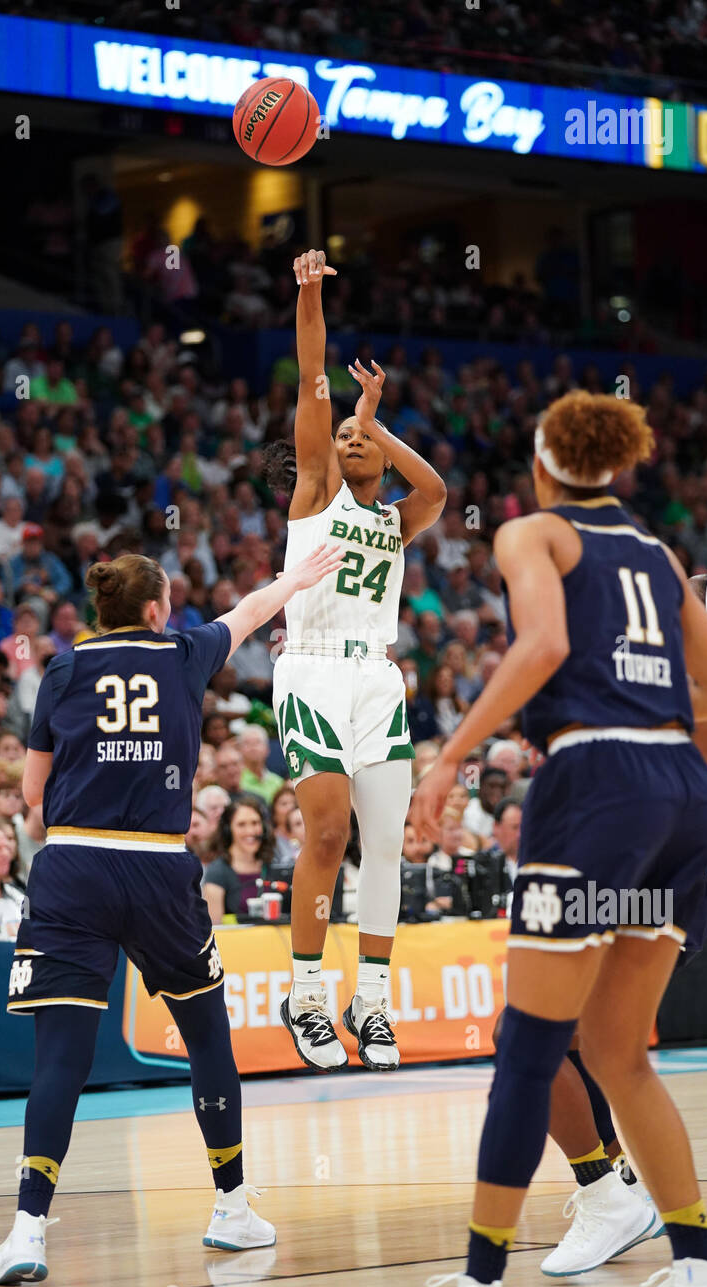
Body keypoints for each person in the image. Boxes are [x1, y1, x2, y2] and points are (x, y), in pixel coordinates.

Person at [414, 392, 707, 1287]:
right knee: (615, 1050)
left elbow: (545, 642)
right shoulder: (660, 553)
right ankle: (700, 1269)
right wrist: (633, 701)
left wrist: (450, 756)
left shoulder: (531, 534)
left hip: (598, 788)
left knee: (526, 1045)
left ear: (542, 465)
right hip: (680, 793)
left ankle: (482, 1280)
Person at [0, 541, 343, 1285]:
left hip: (74, 865)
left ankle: (26, 1232)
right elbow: (249, 612)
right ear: (154, 609)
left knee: (62, 1061)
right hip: (159, 867)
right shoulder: (181, 653)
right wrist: (297, 576)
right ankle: (232, 1208)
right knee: (207, 1033)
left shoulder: (65, 666)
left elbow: (35, 795)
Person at [538, 571, 707, 1279]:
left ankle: (633, 1209)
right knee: (566, 1039)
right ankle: (613, 1191)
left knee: (572, 1039)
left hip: (660, 882)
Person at [266, 248, 446, 1074]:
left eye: (360, 436)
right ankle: (304, 992)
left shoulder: (397, 518)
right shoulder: (315, 493)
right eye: (343, 437)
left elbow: (438, 492)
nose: (350, 439)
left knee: (387, 844)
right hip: (310, 669)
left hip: (377, 678)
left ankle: (369, 1001)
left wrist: (381, 423)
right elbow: (313, 378)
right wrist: (308, 295)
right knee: (329, 833)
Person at [201, 794, 275, 923]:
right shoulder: (217, 872)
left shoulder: (272, 866)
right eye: (241, 824)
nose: (250, 831)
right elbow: (214, 929)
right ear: (228, 830)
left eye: (255, 823)